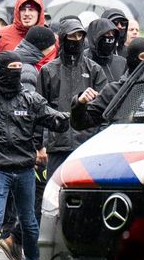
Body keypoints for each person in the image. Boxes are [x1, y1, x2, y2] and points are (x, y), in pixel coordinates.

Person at [0, 51, 69, 260]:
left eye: (18, 68)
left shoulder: (30, 99)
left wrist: (76, 110)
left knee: (29, 221)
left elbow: (58, 120)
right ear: (0, 70)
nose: (15, 73)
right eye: (11, 68)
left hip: (24, 169)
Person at [38, 17, 108, 179]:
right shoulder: (48, 70)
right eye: (72, 36)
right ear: (63, 38)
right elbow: (39, 109)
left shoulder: (94, 70)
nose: (76, 40)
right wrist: (40, 144)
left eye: (80, 36)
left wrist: (98, 141)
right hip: (57, 146)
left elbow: (105, 109)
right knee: (54, 192)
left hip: (87, 146)